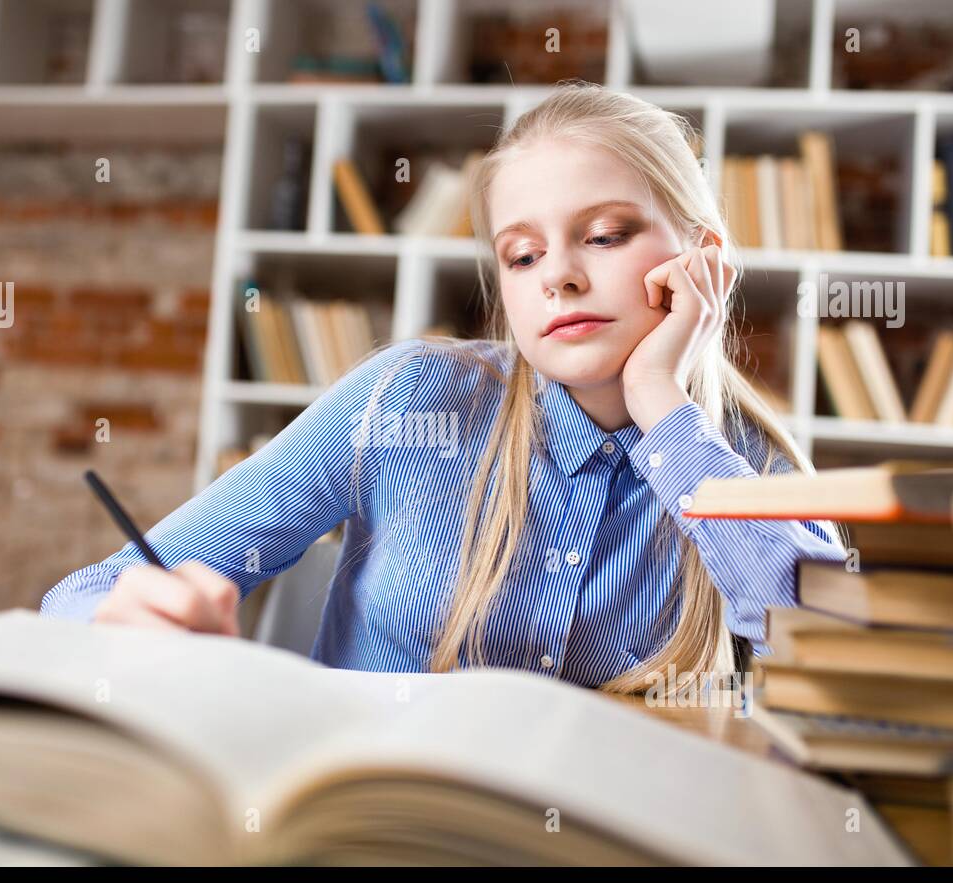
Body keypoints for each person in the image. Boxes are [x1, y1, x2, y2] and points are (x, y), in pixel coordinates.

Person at [41, 81, 844, 694]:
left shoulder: (745, 463)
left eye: (603, 236)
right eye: (523, 255)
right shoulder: (411, 400)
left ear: (701, 257)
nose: (559, 276)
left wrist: (663, 405)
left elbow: (837, 656)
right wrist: (132, 621)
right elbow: (85, 594)